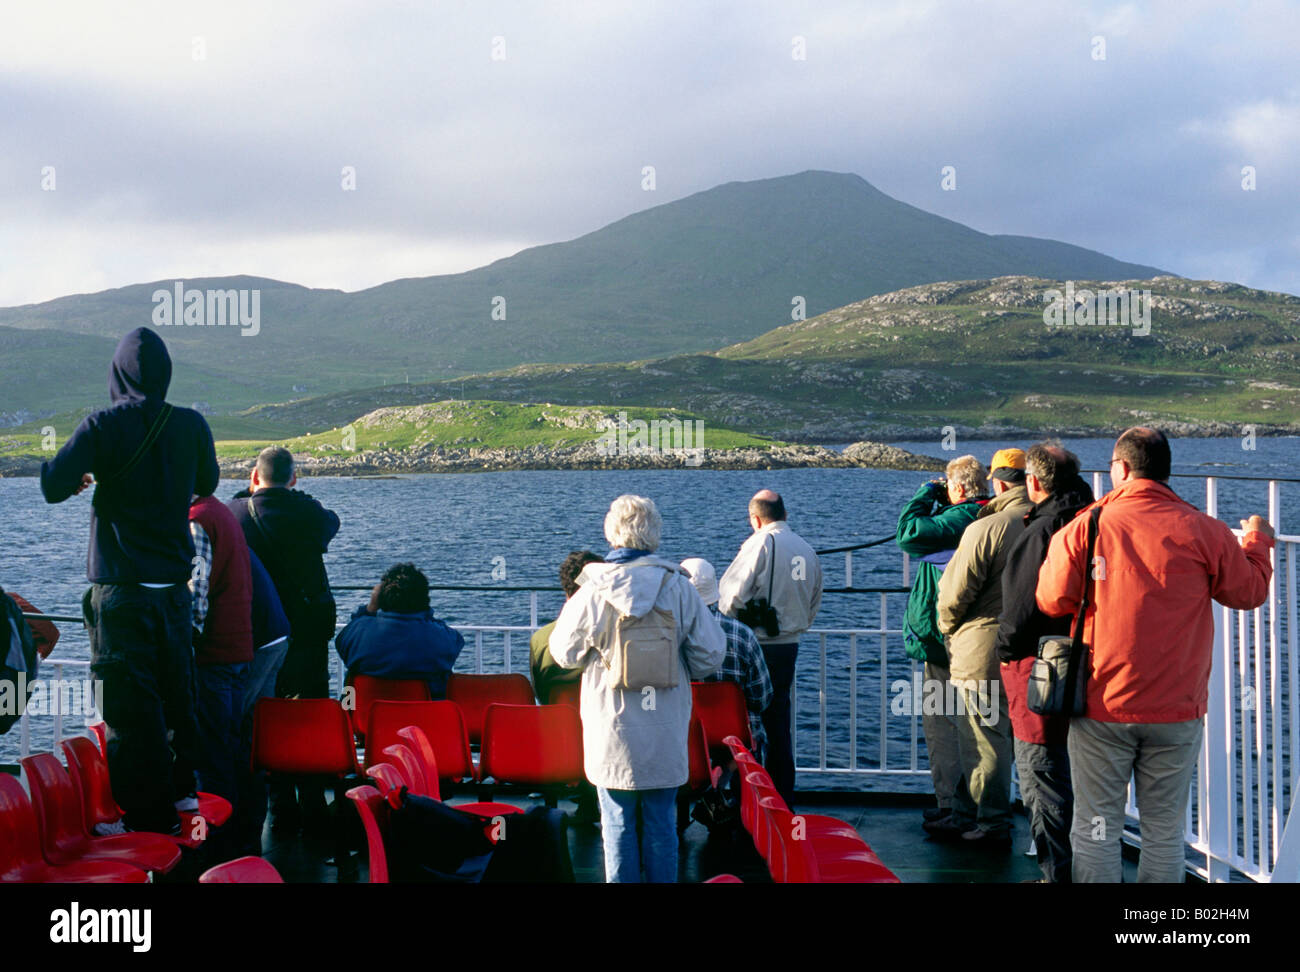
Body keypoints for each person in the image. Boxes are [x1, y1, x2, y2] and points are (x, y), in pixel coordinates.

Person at [1037, 427, 1274, 882]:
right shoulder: (1203, 529)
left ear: (1121, 469)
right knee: (1164, 830)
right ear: (1164, 472)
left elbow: (1050, 600)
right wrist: (1257, 543)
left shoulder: (1086, 526)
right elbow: (1248, 591)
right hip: (1177, 709)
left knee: (1095, 826)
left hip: (1104, 702)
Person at [40, 328, 218, 834]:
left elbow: (53, 485)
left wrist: (79, 475)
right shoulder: (190, 424)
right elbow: (205, 483)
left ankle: (142, 818)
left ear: (117, 373)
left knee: (126, 705)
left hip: (122, 590)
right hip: (173, 593)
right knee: (176, 695)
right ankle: (183, 793)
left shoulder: (103, 424)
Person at [549, 494, 725, 883]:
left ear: (612, 534)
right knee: (663, 824)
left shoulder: (592, 590)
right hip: (664, 727)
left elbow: (563, 653)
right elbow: (711, 654)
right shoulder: (679, 588)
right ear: (654, 534)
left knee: (617, 825)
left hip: (611, 728)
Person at [994, 441, 1093, 881]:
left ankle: (1057, 874)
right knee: (1088, 775)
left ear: (1034, 482)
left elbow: (1020, 608)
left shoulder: (1042, 531)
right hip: (1097, 661)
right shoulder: (1095, 519)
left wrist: (1005, 649)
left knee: (1041, 773)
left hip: (1043, 668)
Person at [228, 445, 339, 834]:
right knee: (309, 713)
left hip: (260, 633)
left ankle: (277, 803)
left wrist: (248, 495)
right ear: (293, 478)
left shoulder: (236, 513)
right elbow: (332, 522)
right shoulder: (308, 512)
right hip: (308, 631)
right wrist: (297, 495)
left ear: (255, 477)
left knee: (263, 713)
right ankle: (312, 800)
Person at [932, 448, 1032, 850]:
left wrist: (947, 629)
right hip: (1034, 647)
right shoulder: (1051, 522)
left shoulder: (988, 527)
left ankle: (989, 823)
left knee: (981, 738)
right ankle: (964, 814)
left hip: (981, 648)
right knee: (1010, 736)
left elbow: (953, 594)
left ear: (999, 482)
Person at [895, 455, 989, 828]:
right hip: (966, 640)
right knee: (974, 723)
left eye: (949, 487)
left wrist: (925, 493)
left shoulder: (961, 518)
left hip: (946, 644)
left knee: (946, 724)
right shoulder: (983, 516)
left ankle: (956, 805)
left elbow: (909, 533)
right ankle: (965, 802)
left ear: (959, 488)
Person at [717, 489, 822, 806]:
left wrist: (729, 625)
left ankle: (745, 800)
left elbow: (730, 596)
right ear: (785, 514)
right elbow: (814, 598)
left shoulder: (760, 543)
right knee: (779, 723)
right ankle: (782, 800)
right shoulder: (805, 548)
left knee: (744, 723)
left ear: (755, 519)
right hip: (789, 645)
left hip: (755, 644)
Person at [188, 493, 254, 858]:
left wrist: (180, 644)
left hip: (214, 656)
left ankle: (216, 849)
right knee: (232, 749)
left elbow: (196, 594)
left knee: (212, 758)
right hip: (238, 649)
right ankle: (240, 842)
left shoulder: (199, 519)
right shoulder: (221, 513)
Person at [680, 557, 773, 764]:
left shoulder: (670, 636)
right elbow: (761, 698)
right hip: (740, 740)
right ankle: (747, 794)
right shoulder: (743, 635)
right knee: (755, 724)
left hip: (686, 738)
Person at [335, 563, 465, 698]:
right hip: (425, 717)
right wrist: (425, 612)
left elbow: (342, 644)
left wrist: (369, 610)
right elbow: (457, 643)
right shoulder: (442, 638)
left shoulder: (357, 632)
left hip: (363, 717)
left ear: (381, 598)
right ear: (424, 599)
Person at [235, 548, 291, 856]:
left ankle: (228, 835)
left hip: (258, 642)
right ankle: (249, 836)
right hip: (273, 637)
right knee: (252, 739)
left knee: (229, 735)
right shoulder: (227, 527)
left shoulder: (203, 526)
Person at [531, 551, 603, 705]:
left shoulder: (540, 639)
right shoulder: (612, 635)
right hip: (599, 723)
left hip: (555, 724)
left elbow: (541, 693)